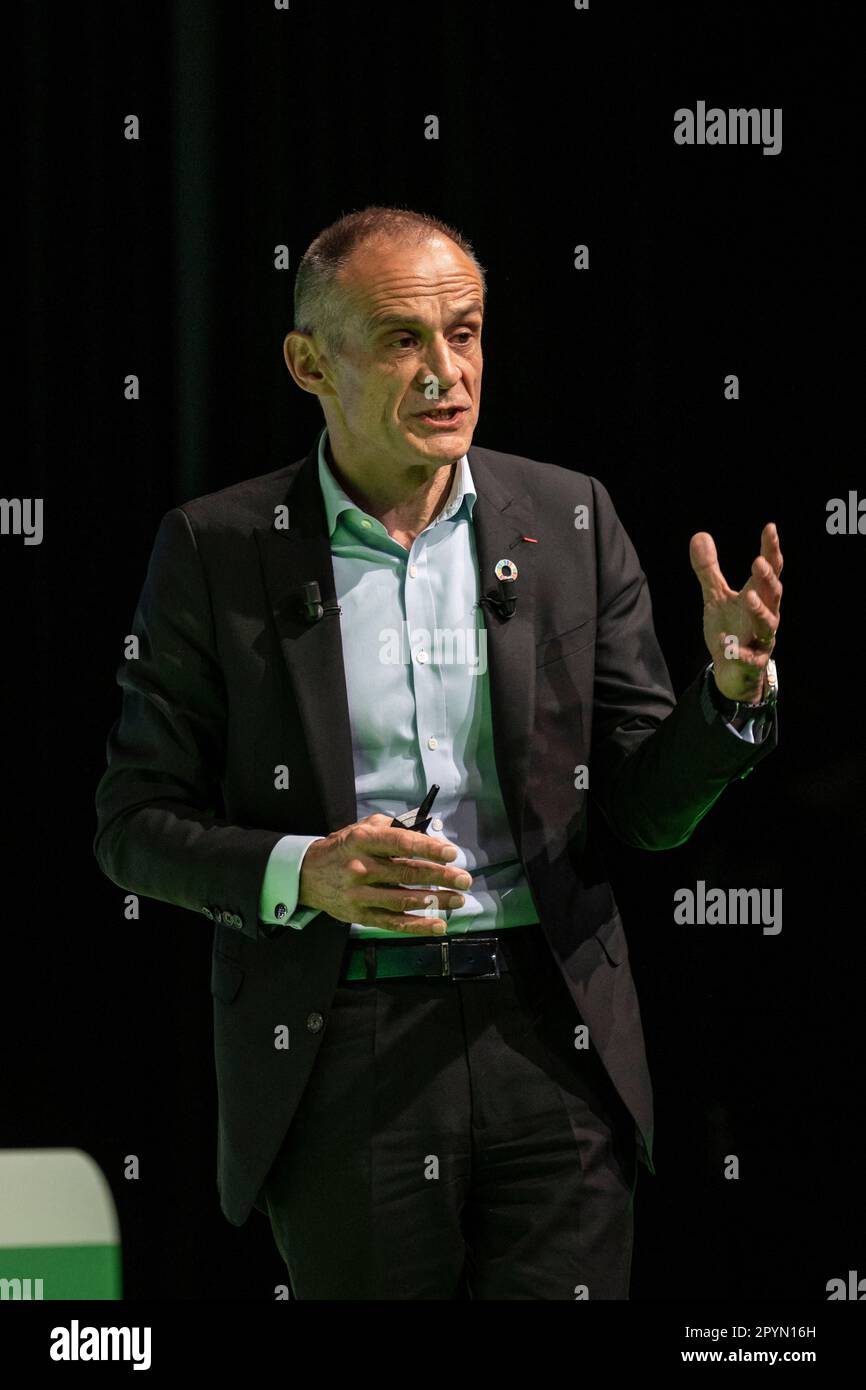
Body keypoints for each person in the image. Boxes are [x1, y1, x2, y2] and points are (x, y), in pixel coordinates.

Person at [94, 205, 782, 1299]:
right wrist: (304, 871)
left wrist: (725, 701)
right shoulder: (219, 549)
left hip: (547, 1036)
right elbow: (133, 825)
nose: (443, 372)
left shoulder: (567, 519)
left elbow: (644, 809)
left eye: (463, 332)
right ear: (307, 361)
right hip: (341, 1042)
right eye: (402, 339)